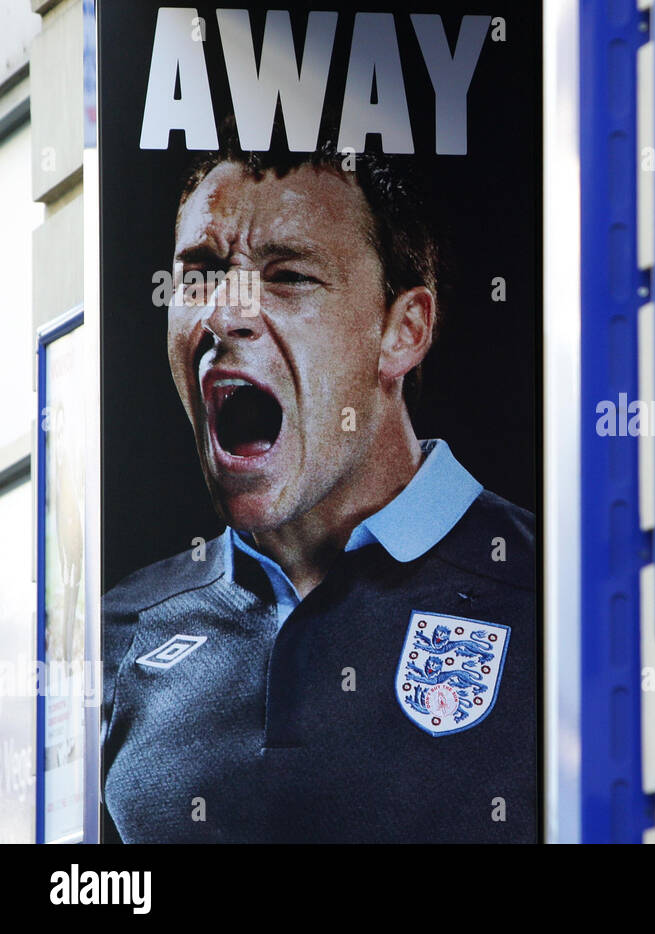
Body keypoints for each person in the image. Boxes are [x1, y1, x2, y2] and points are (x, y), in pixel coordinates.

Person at [99, 126, 537, 843]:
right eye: (202, 273)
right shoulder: (119, 630)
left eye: (288, 275)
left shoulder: (553, 593)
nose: (224, 314)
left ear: (403, 332)